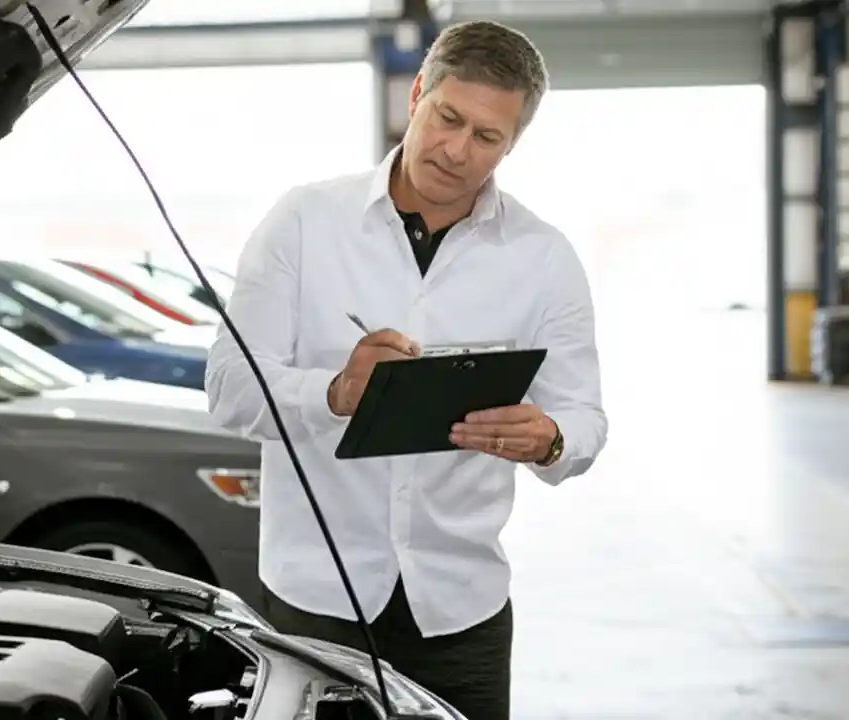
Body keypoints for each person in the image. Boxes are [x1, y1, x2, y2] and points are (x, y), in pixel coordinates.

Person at [204, 19, 608, 720]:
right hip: (316, 602)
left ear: (512, 144)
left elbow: (585, 420)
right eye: (448, 118)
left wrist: (550, 440)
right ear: (417, 93)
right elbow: (228, 389)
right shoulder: (304, 221)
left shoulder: (544, 257)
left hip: (463, 610)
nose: (457, 150)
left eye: (487, 136)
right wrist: (335, 392)